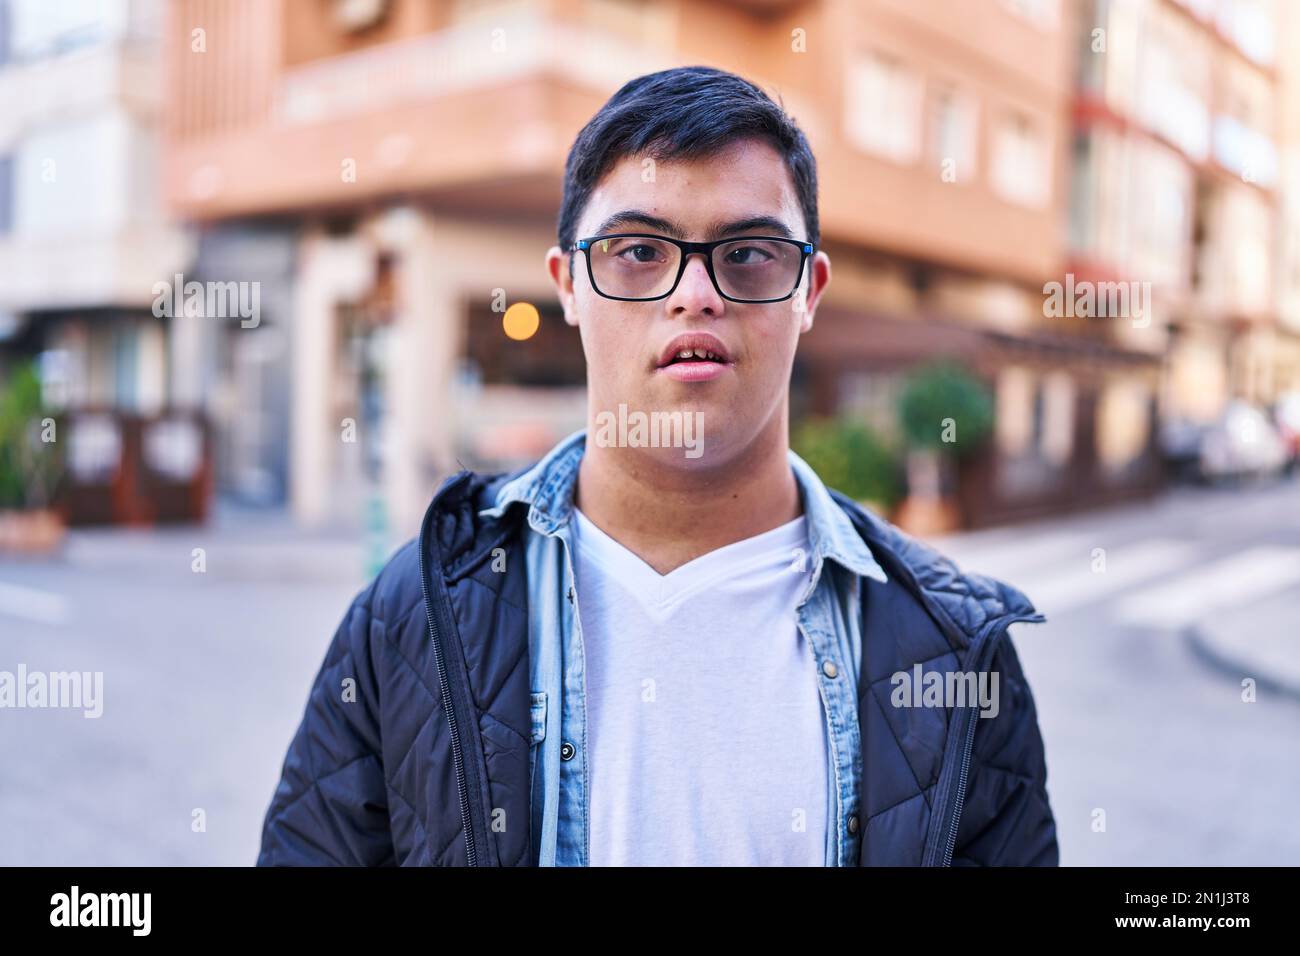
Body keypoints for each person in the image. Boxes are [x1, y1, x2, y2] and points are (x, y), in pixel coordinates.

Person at [257, 65, 1057, 867]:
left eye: (748, 253)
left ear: (808, 292)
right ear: (568, 283)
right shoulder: (412, 617)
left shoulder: (954, 651)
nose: (696, 293)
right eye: (640, 250)